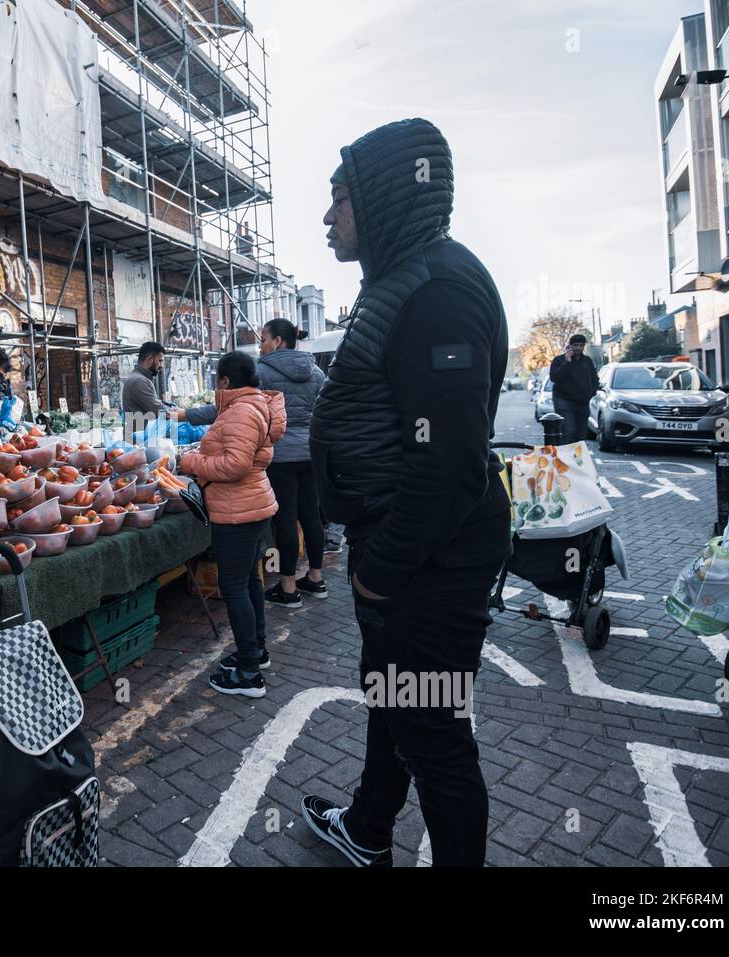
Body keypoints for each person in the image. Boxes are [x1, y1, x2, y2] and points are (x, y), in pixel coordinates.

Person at [305, 118, 512, 867]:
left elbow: (450, 461)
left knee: (433, 732)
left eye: (339, 199)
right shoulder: (409, 278)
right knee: (398, 698)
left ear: (384, 196)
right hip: (410, 547)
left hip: (427, 557)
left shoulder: (439, 291)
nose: (327, 218)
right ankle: (367, 826)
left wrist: (378, 569)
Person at [179, 351, 285, 697]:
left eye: (216, 379)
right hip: (250, 505)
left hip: (239, 509)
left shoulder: (240, 411)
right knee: (250, 580)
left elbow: (235, 465)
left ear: (225, 381)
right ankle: (254, 651)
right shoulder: (250, 406)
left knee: (235, 586)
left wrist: (190, 461)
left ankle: (249, 675)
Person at [255, 319, 328, 608]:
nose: (261, 345)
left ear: (278, 342)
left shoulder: (261, 373)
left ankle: (288, 588)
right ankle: (315, 577)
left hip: (280, 456)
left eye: (263, 339)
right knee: (311, 516)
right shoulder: (318, 373)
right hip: (310, 454)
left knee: (285, 519)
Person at [122, 341, 186, 433]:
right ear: (149, 360)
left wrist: (171, 406)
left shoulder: (139, 377)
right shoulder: (139, 381)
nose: (161, 366)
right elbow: (159, 410)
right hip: (139, 440)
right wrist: (186, 415)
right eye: (160, 361)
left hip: (140, 437)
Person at [548, 334, 598, 444]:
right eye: (575, 345)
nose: (578, 348)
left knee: (581, 435)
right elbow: (554, 377)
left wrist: (591, 393)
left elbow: (594, 379)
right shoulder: (559, 360)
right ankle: (566, 459)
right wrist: (567, 362)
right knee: (568, 431)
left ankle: (578, 460)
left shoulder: (587, 361)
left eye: (581, 345)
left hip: (582, 401)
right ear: (570, 346)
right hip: (563, 400)